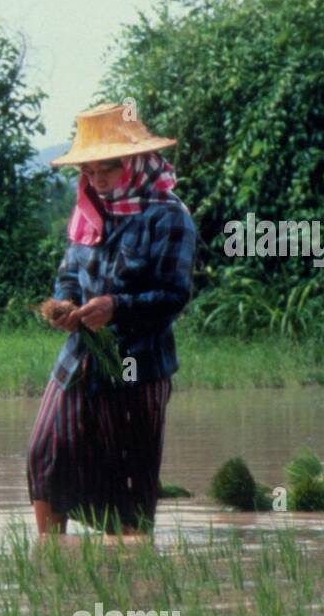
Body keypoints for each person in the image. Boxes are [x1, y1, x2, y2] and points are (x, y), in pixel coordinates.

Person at [27, 103, 197, 537]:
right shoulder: (86, 210)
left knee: (129, 474)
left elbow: (174, 296)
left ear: (136, 163)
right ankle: (49, 554)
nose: (98, 180)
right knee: (46, 453)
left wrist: (117, 307)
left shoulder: (168, 216)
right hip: (79, 358)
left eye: (109, 168)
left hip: (137, 363)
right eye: (90, 171)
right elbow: (68, 274)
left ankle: (131, 567)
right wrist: (64, 305)